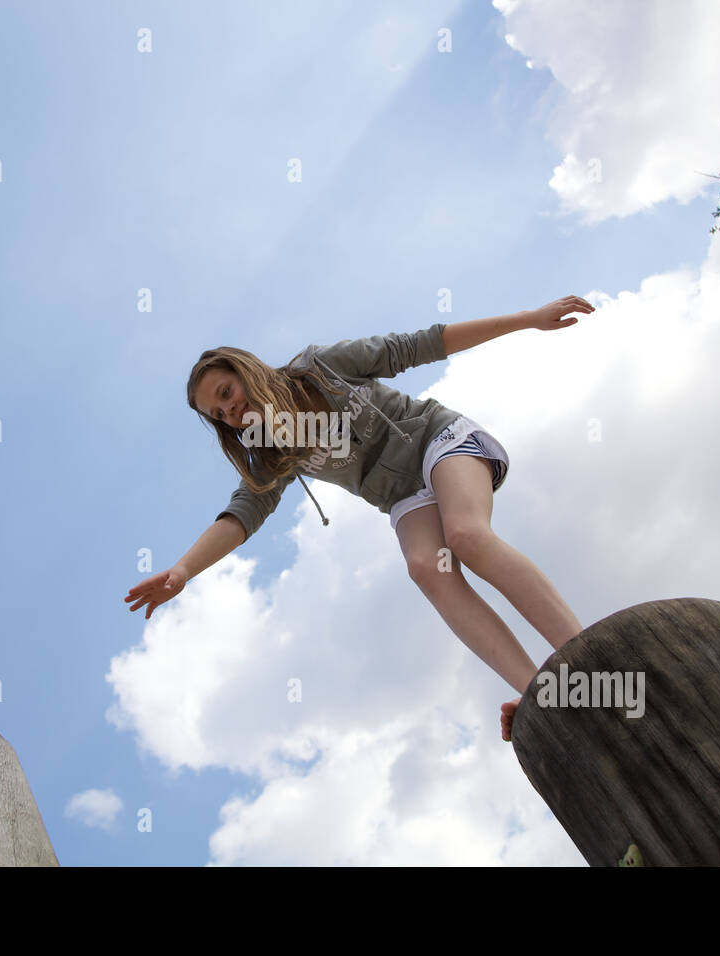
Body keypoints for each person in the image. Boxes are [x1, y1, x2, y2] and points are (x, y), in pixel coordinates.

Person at [124, 296, 593, 742]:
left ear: (246, 371)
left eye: (227, 393)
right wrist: (184, 569)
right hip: (403, 496)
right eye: (220, 414)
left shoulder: (319, 369)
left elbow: (418, 345)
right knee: (426, 567)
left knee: (466, 536)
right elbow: (242, 514)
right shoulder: (269, 454)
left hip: (438, 440)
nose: (231, 411)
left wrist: (528, 318)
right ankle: (541, 695)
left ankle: (588, 657)